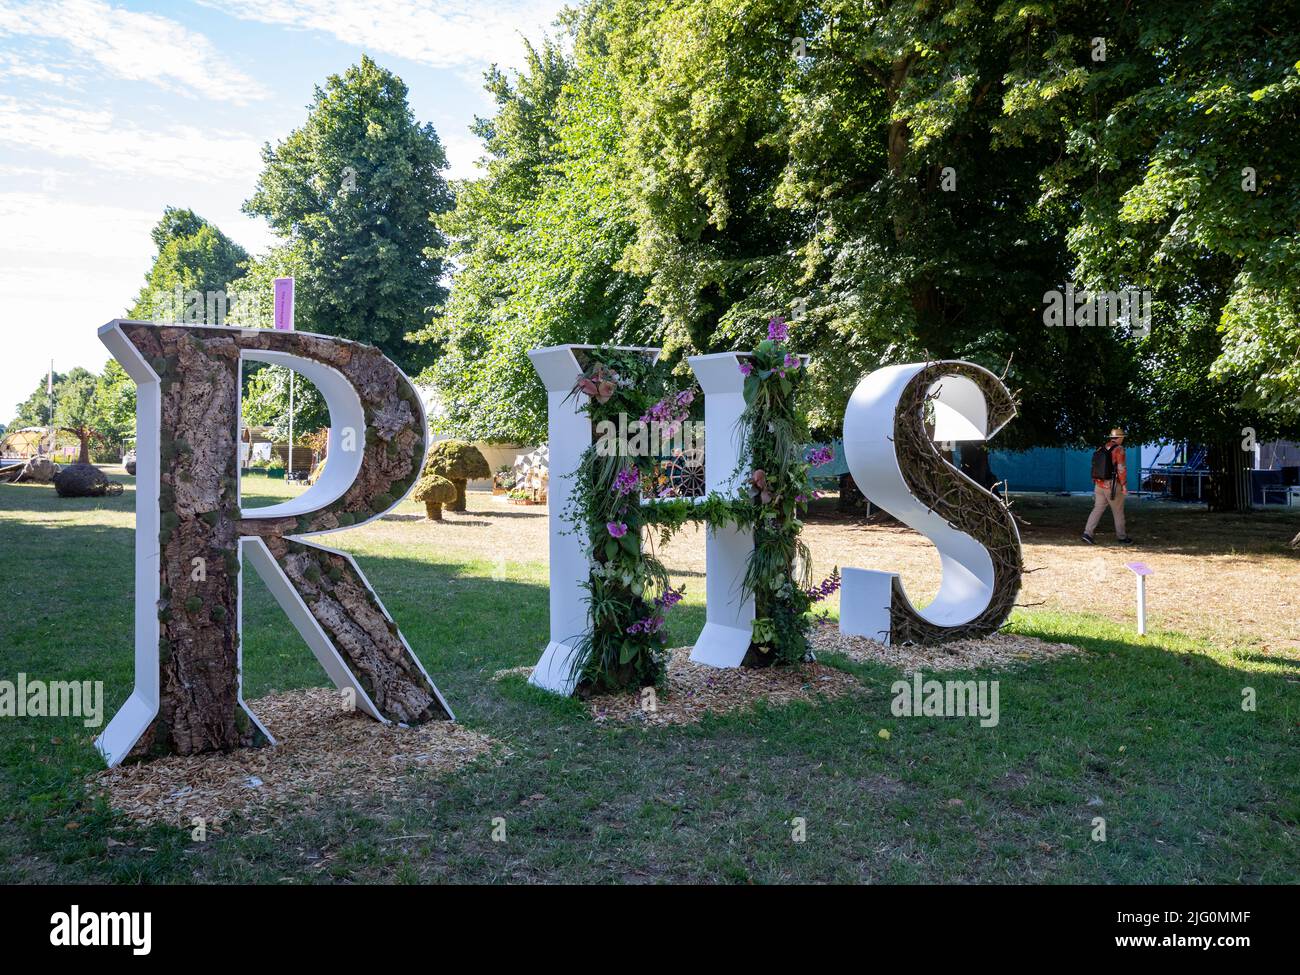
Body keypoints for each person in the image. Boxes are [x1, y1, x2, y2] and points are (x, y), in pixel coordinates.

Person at [1083, 427, 1133, 545]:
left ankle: (1087, 533)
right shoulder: (1119, 449)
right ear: (1119, 438)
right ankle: (1122, 537)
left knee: (1097, 509)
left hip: (1099, 484)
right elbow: (1121, 469)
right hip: (1113, 485)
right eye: (1122, 438)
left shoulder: (1101, 447)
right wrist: (1124, 485)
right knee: (1118, 511)